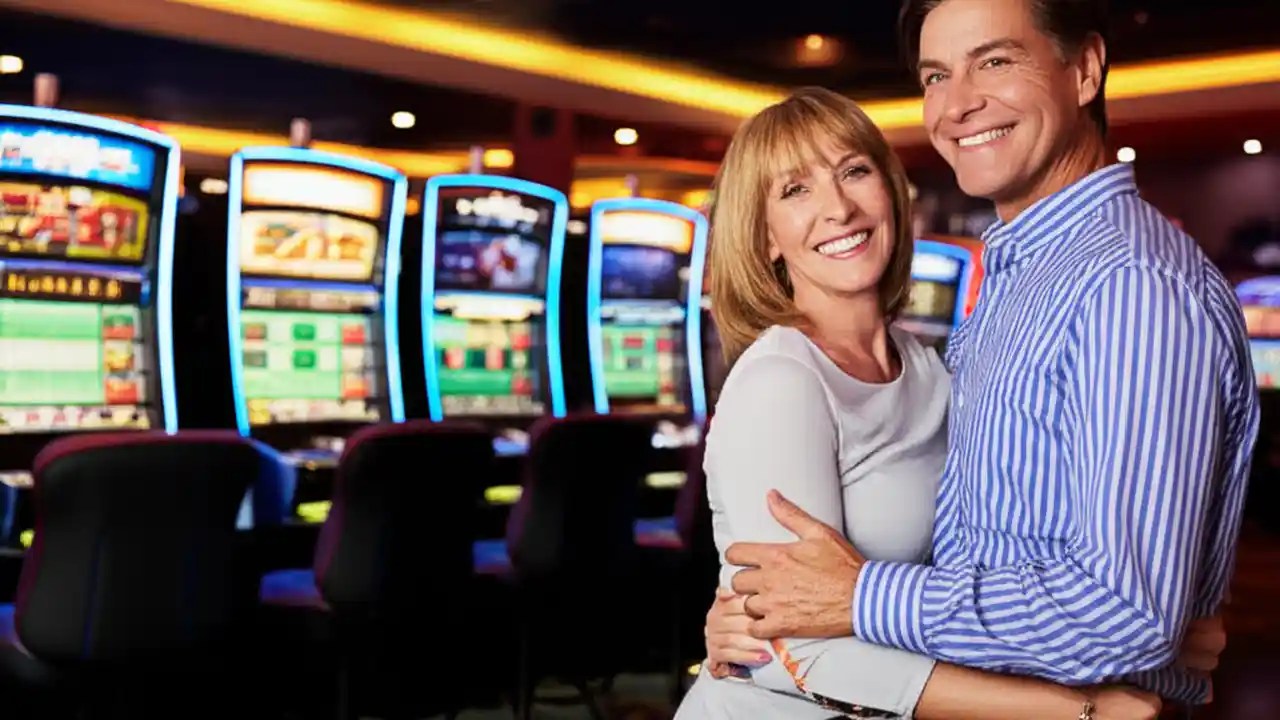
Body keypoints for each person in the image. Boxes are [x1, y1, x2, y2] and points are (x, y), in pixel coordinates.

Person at [703, 0, 1258, 715]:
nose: (959, 104)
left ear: (1085, 70)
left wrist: (856, 596)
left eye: (994, 61)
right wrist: (750, 616)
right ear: (765, 234)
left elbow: (1125, 613)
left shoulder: (1128, 284)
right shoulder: (1012, 290)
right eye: (937, 75)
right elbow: (799, 620)